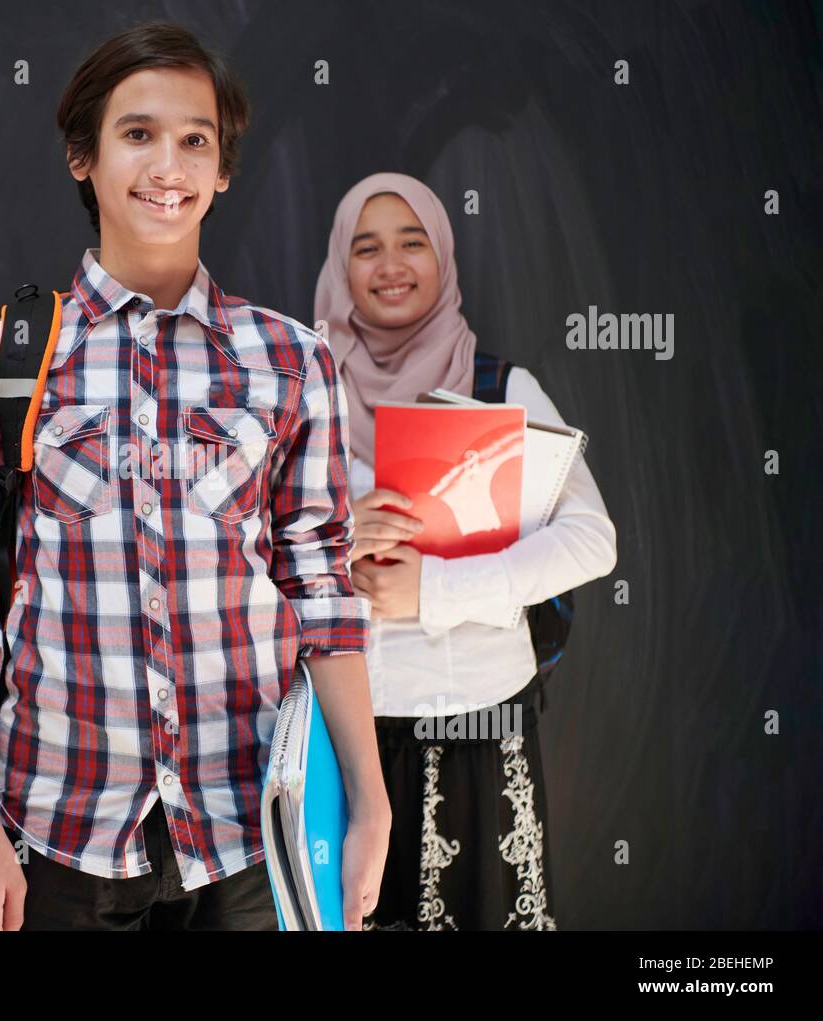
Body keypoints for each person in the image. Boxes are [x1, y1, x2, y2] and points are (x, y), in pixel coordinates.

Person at [0, 21, 390, 931]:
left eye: (194, 139)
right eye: (137, 134)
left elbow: (322, 585)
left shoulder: (291, 362)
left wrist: (368, 798)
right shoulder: (2, 360)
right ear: (82, 157)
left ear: (223, 170)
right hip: (57, 823)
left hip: (251, 830)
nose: (168, 164)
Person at [313, 172, 617, 930]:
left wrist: (436, 588)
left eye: (412, 242)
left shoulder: (500, 389)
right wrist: (339, 539)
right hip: (340, 738)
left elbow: (591, 540)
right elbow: (243, 552)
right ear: (338, 268)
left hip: (478, 730)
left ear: (442, 257)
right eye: (366, 247)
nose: (391, 265)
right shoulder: (302, 396)